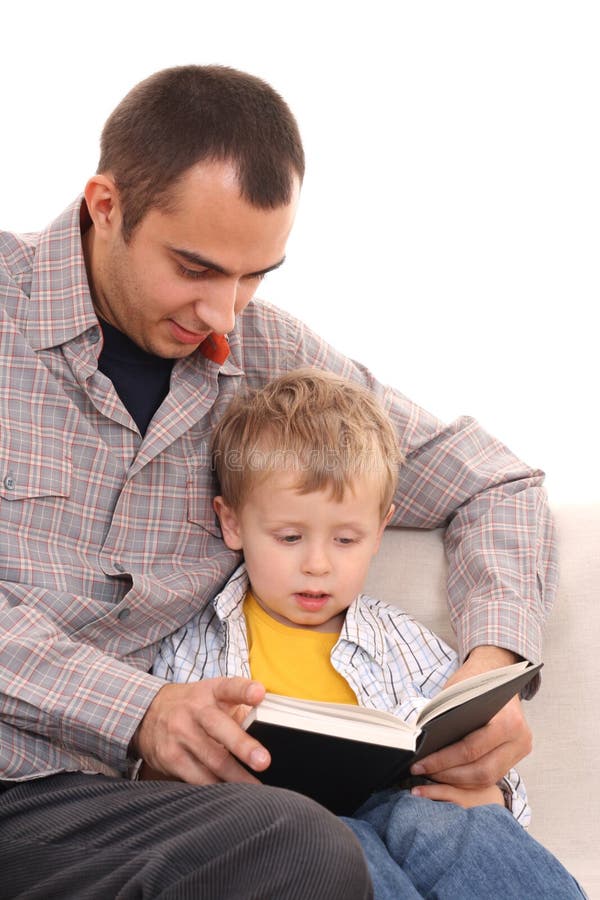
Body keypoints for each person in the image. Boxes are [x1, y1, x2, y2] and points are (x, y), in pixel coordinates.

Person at [0, 64, 556, 897]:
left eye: (255, 274)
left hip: (117, 814)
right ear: (105, 206)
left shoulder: (265, 356)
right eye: (194, 267)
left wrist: (489, 664)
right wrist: (138, 710)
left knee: (320, 839)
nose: (223, 315)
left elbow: (495, 482)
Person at [151, 368, 583, 898]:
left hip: (403, 806)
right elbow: (156, 761)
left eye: (346, 539)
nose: (317, 564)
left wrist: (492, 793)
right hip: (279, 825)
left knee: (448, 824)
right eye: (289, 536)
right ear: (233, 523)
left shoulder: (402, 641)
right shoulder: (195, 641)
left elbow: (470, 736)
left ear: (380, 531)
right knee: (336, 848)